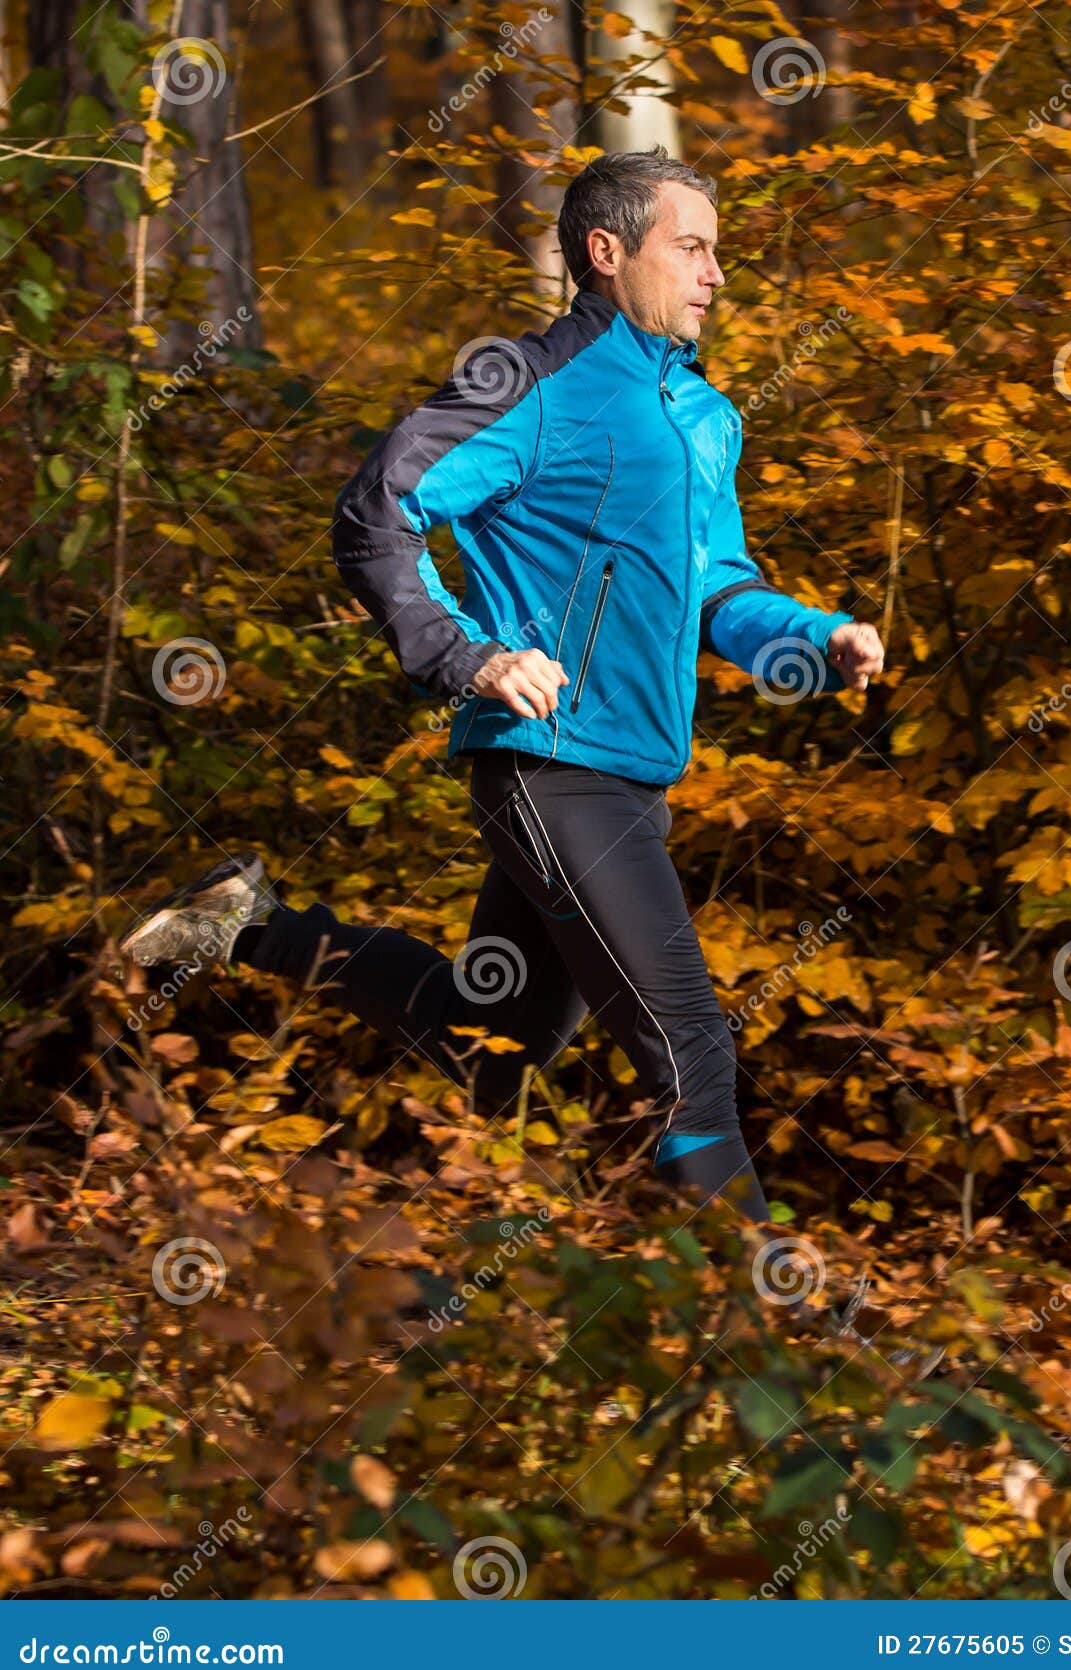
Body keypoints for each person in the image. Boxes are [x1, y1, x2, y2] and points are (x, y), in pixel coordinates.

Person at [119, 146, 884, 1229]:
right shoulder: (530, 387)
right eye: (694, 247)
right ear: (606, 251)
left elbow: (717, 587)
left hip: (629, 772)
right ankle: (766, 1339)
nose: (718, 275)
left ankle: (246, 925)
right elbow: (376, 510)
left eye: (719, 252)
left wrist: (815, 637)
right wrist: (468, 653)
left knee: (491, 1039)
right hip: (550, 763)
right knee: (690, 1047)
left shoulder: (706, 417)